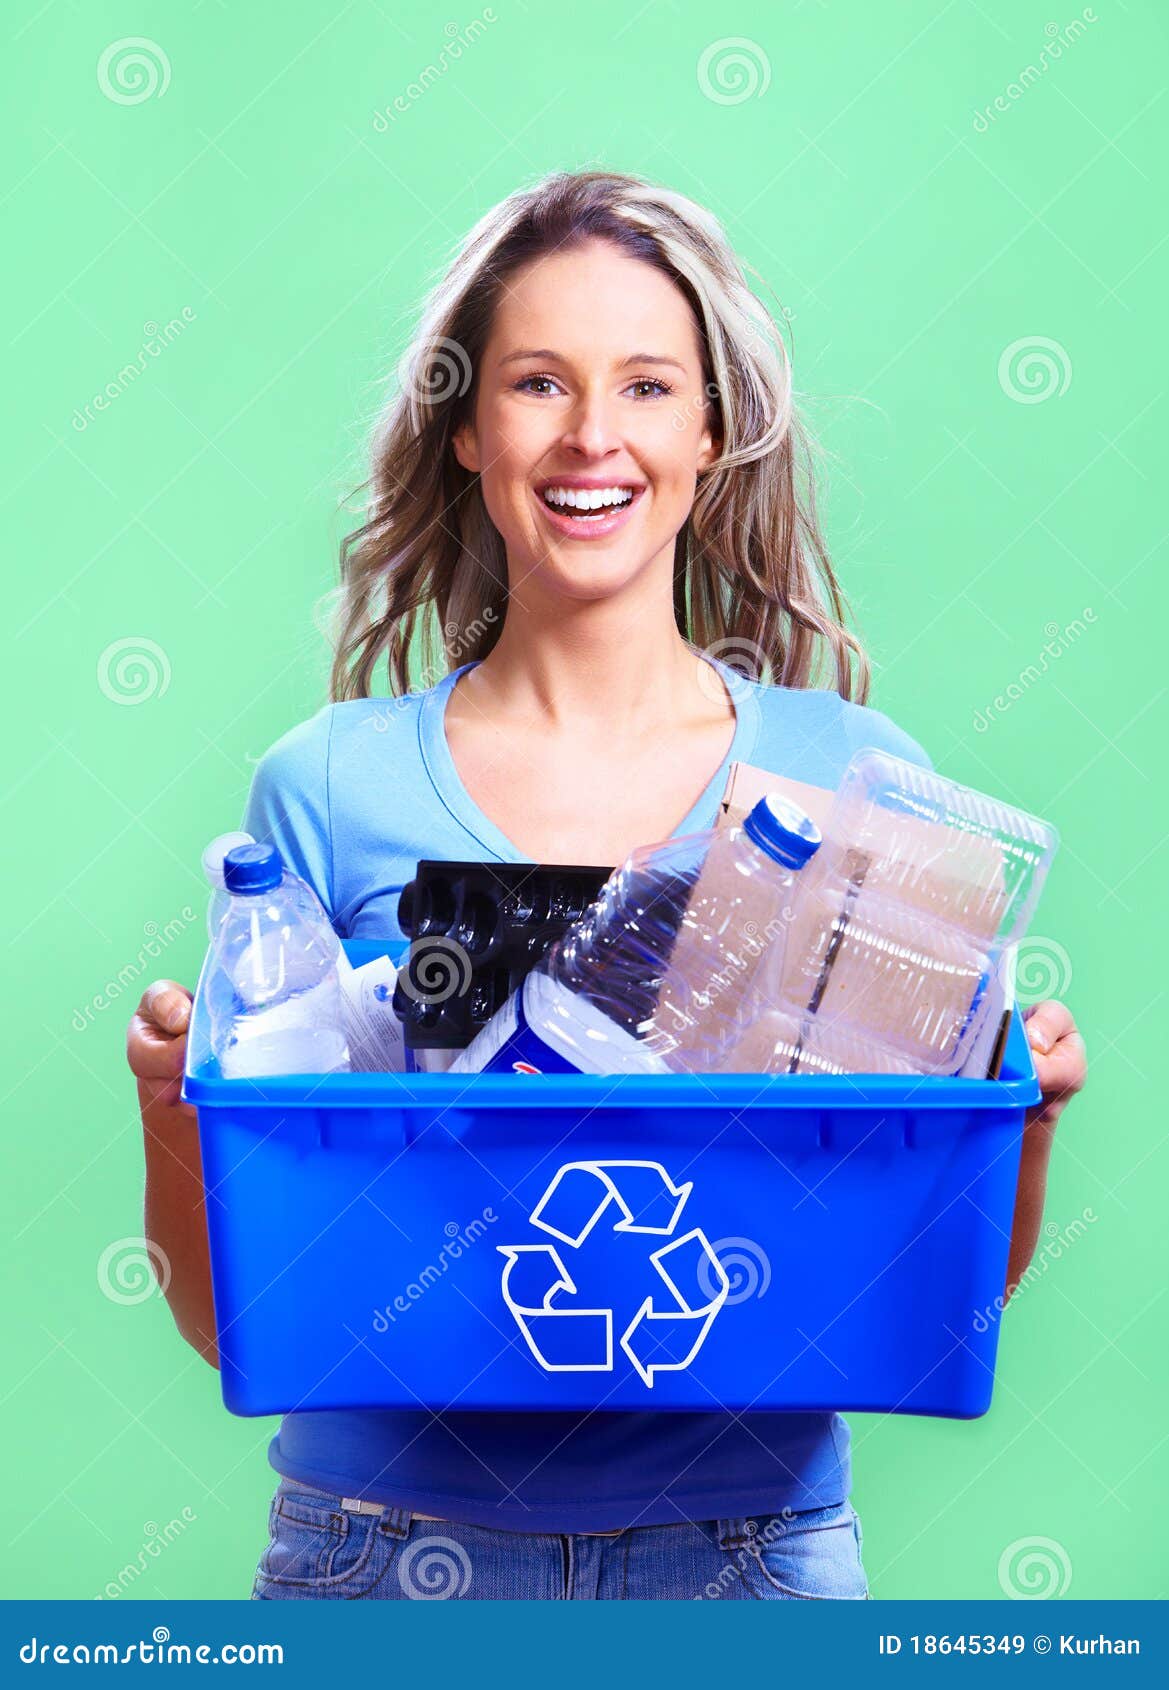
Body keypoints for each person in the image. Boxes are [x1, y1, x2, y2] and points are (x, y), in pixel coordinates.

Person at [126, 170, 1086, 1601]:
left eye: (646, 386)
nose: (591, 436)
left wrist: (1018, 1114)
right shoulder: (328, 785)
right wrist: (168, 1100)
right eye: (535, 383)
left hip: (750, 1556)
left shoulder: (846, 781)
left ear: (711, 432)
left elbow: (913, 1301)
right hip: (386, 1555)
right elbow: (241, 1322)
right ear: (464, 426)